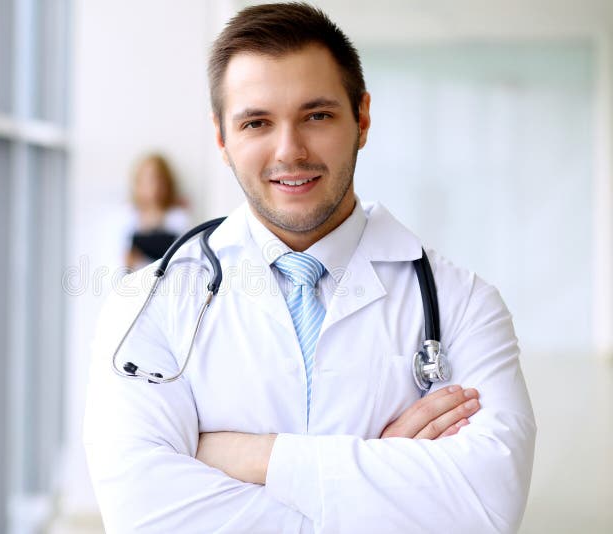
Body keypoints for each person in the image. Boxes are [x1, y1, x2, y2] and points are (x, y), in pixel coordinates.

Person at [84, 3, 536, 532]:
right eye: (256, 122)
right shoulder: (149, 304)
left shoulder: (465, 303)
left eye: (317, 115)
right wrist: (379, 473)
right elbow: (144, 516)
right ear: (222, 139)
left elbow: (487, 507)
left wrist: (257, 457)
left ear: (362, 118)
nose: (289, 151)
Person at [123, 153, 189, 271]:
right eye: (147, 180)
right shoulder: (128, 216)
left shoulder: (177, 216)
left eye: (159, 180)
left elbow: (182, 256)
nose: (154, 186)